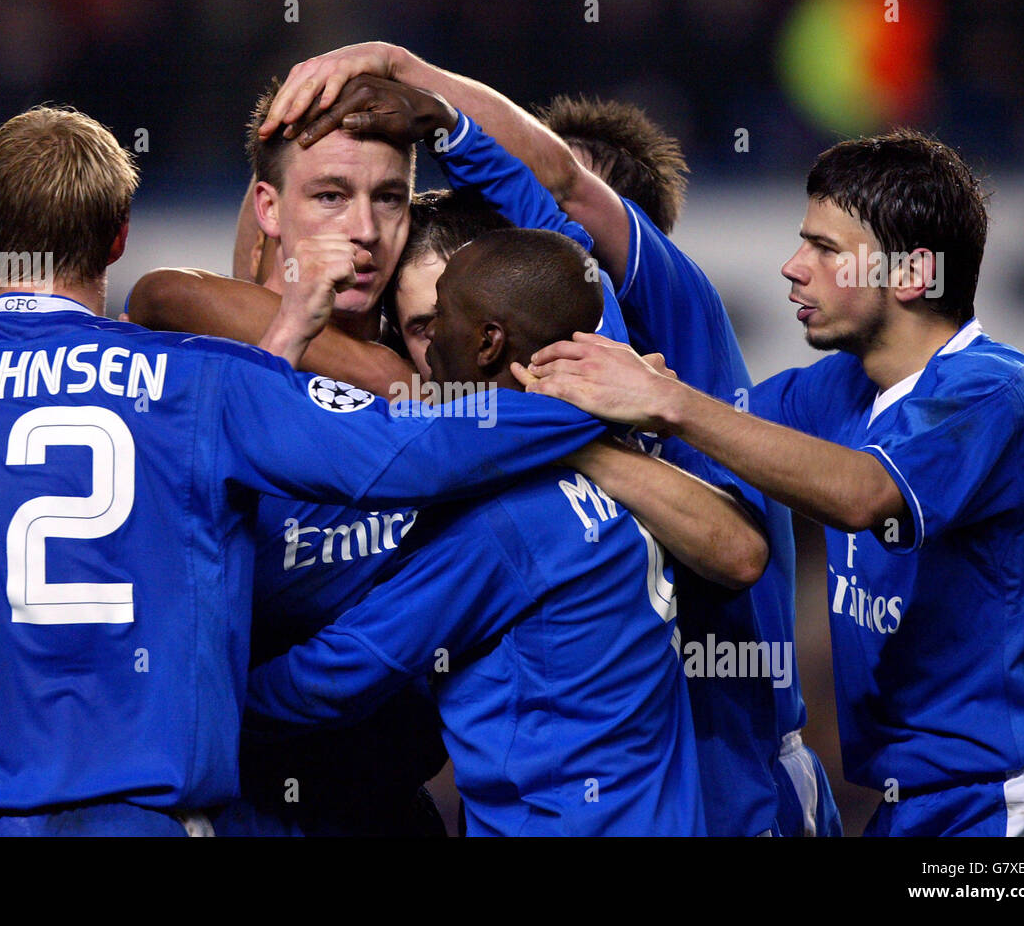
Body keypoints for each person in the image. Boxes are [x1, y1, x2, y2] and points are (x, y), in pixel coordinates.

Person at [0, 105, 616, 836]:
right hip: (126, 810)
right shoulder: (189, 379)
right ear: (119, 236)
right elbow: (409, 453)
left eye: (387, 198)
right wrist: (582, 398)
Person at [263, 44, 834, 837]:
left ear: (496, 333)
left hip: (743, 791)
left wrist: (187, 718)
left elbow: (557, 191)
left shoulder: (644, 336)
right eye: (416, 327)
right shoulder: (590, 397)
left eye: (445, 323)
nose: (429, 352)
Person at [518, 129, 1024, 836]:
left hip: (1005, 799)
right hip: (916, 799)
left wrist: (671, 402)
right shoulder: (841, 390)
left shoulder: (994, 393)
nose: (794, 267)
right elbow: (723, 432)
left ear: (913, 276)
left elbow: (860, 495)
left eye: (826, 250)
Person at [247, 226, 768, 835]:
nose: (429, 338)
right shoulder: (627, 469)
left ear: (489, 342)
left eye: (440, 315)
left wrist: (198, 701)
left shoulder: (504, 520)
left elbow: (337, 675)